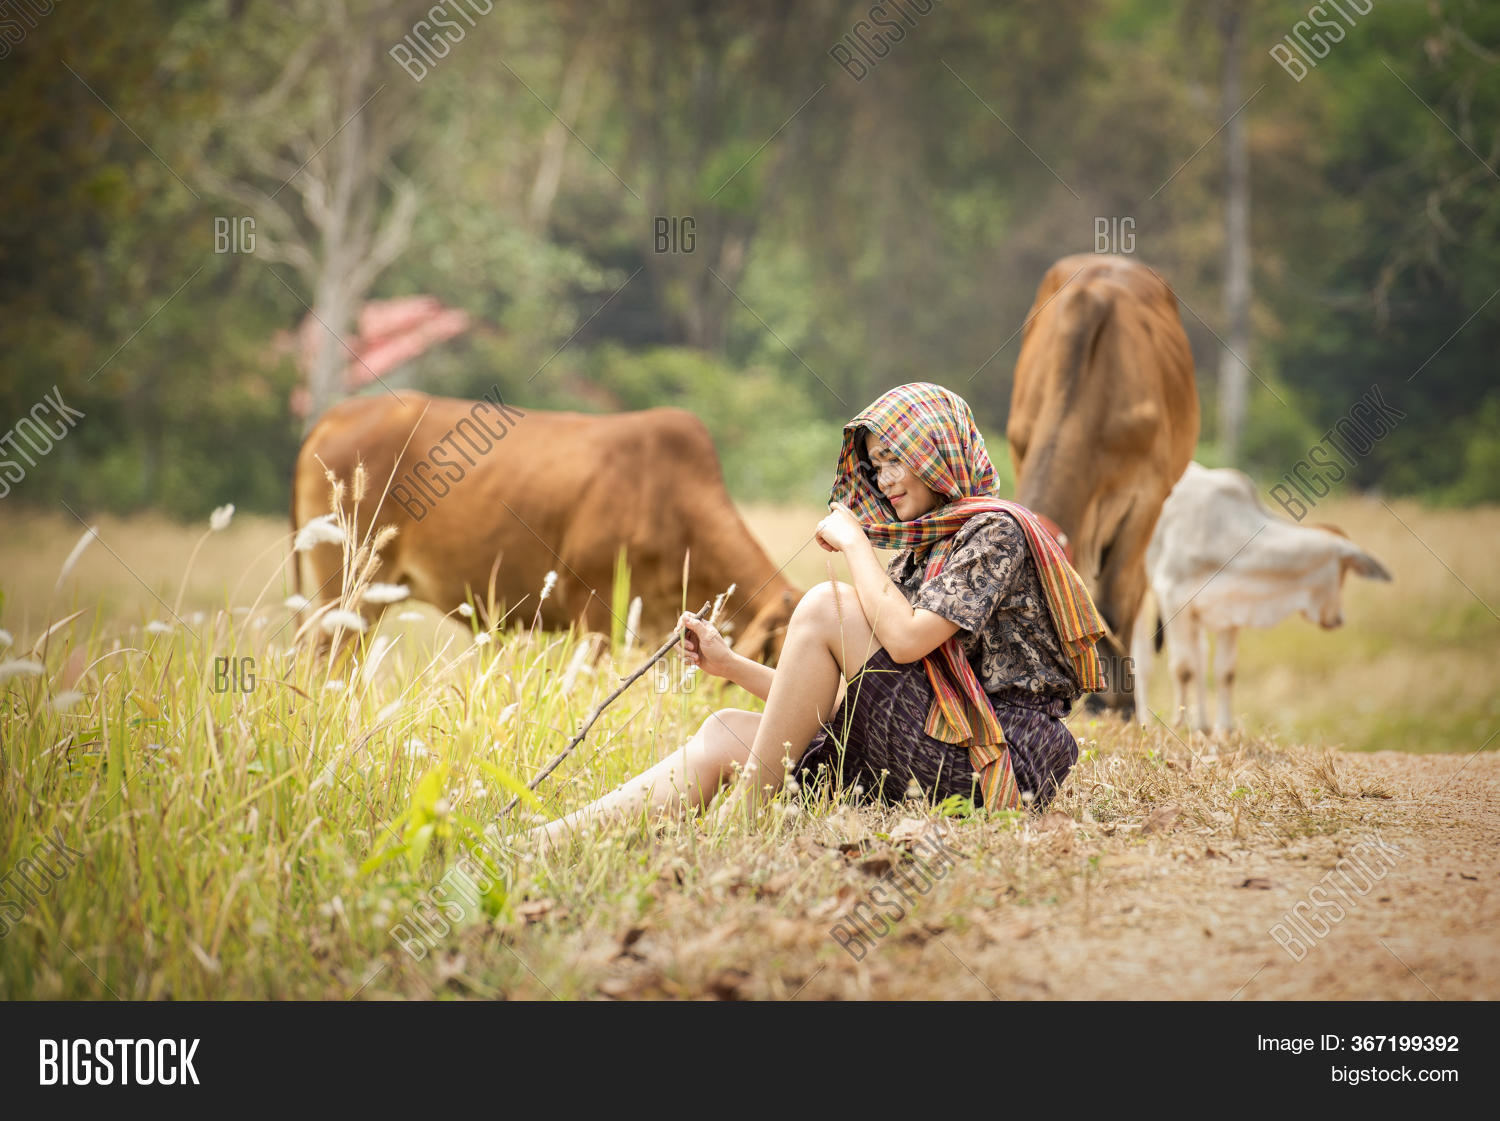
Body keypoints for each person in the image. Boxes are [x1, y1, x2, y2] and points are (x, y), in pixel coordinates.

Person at [529, 382, 1107, 850]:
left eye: (893, 461)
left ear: (934, 451)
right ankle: (541, 844)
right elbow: (831, 703)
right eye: (875, 466)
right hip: (933, 740)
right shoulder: (924, 548)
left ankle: (742, 818)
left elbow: (905, 644)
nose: (882, 480)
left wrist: (857, 545)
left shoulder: (994, 530)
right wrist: (731, 666)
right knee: (724, 730)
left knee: (827, 605)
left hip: (992, 762)